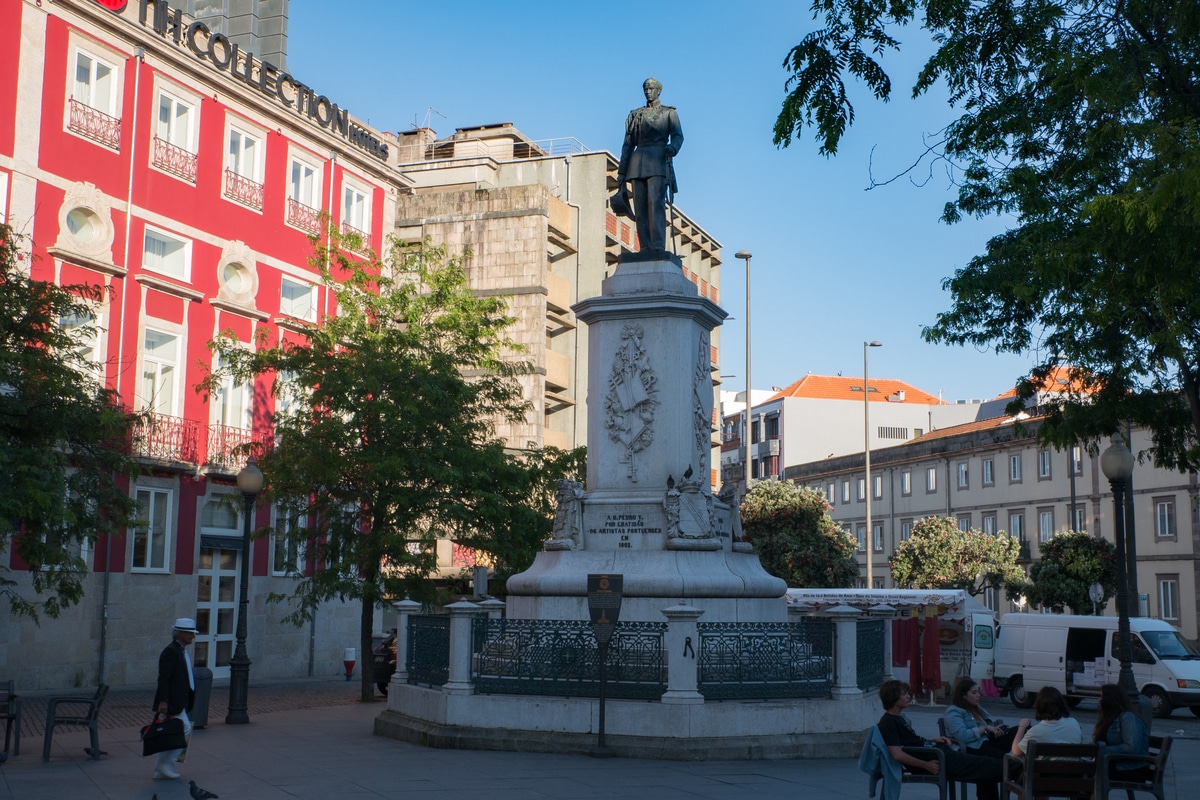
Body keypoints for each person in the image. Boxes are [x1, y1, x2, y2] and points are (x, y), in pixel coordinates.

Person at [876, 679, 1003, 800]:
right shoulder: (888, 723)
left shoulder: (898, 718)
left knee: (986, 767)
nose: (909, 696)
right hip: (936, 759)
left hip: (938, 752)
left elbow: (911, 742)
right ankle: (1017, 770)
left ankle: (1016, 770)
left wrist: (933, 740)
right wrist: (925, 765)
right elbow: (897, 754)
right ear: (893, 697)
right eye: (904, 694)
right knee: (984, 765)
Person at [617, 77, 684, 255]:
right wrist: (621, 173)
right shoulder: (635, 115)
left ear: (658, 91)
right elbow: (627, 145)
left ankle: (658, 245)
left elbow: (678, 136)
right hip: (636, 163)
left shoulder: (669, 113)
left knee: (656, 204)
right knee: (640, 208)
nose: (647, 91)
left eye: (651, 88)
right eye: (645, 88)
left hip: (658, 160)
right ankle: (645, 246)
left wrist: (673, 148)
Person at [151, 617, 198, 780]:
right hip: (172, 701)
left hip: (179, 700)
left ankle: (159, 769)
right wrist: (163, 701)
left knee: (168, 735)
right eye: (190, 633)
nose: (193, 636)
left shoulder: (180, 650)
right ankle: (167, 763)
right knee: (184, 729)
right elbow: (164, 678)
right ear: (180, 633)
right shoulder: (171, 651)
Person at [943, 677, 1018, 757]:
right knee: (1008, 759)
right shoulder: (954, 712)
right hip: (973, 745)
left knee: (1020, 729)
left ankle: (1028, 759)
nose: (978, 695)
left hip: (987, 739)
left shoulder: (977, 708)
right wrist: (984, 728)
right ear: (964, 695)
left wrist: (994, 729)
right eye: (974, 693)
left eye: (978, 692)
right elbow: (962, 736)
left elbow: (987, 725)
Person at [1092, 683, 1150, 780]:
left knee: (1087, 772)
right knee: (1081, 769)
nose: (1099, 700)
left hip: (1129, 768)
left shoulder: (1128, 717)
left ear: (1109, 699)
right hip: (1114, 764)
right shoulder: (1109, 718)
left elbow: (1131, 748)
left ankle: (1084, 793)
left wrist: (1102, 750)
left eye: (1101, 696)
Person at [1010, 686, 1083, 756]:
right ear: (1061, 704)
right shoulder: (1074, 723)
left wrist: (1022, 727)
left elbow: (1016, 751)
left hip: (1046, 768)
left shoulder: (1036, 732)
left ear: (1039, 706)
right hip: (1072, 768)